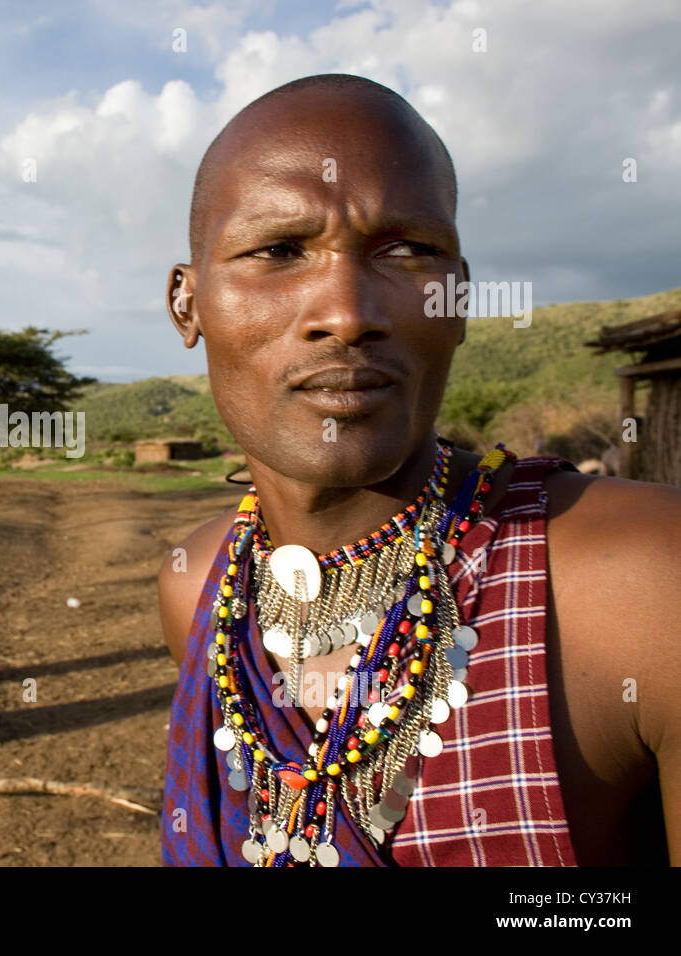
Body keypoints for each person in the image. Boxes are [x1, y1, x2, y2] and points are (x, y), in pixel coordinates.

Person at [158, 74, 681, 866]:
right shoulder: (198, 584)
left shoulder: (644, 581)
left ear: (458, 301)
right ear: (188, 305)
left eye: (407, 251)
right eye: (278, 250)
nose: (346, 311)